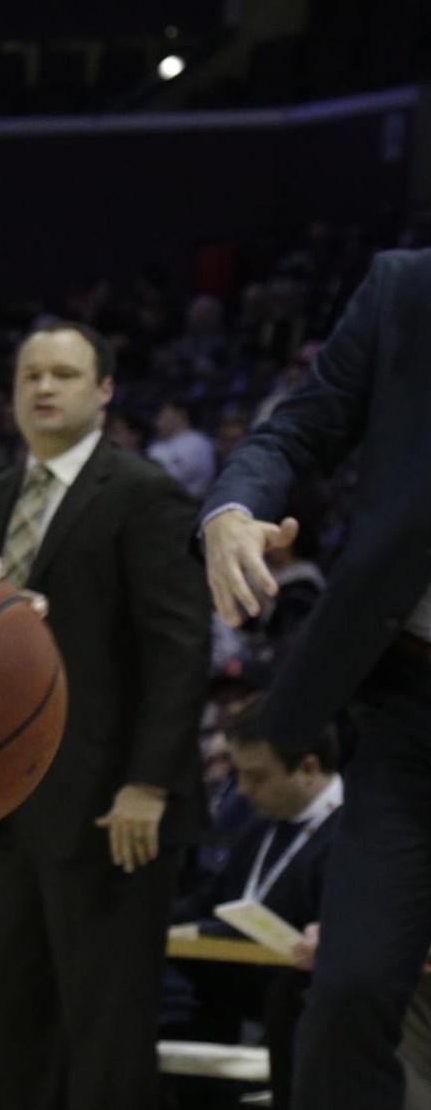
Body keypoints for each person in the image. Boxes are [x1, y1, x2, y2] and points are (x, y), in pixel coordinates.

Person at [202, 247, 431, 1110]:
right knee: (346, 993)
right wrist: (233, 511)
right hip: (411, 709)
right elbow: (295, 430)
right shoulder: (408, 291)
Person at [0, 322, 211, 1110]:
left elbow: (180, 647)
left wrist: (148, 783)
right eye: (30, 373)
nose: (42, 387)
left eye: (64, 374)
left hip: (113, 809)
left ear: (103, 391)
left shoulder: (144, 492)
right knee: (18, 1023)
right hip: (20, 805)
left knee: (107, 1031)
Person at [170, 718, 342, 1108]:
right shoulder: (261, 825)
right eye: (240, 776)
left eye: (257, 777)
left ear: (308, 769)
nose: (244, 790)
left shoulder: (352, 834)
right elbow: (209, 900)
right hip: (229, 990)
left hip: (297, 1001)